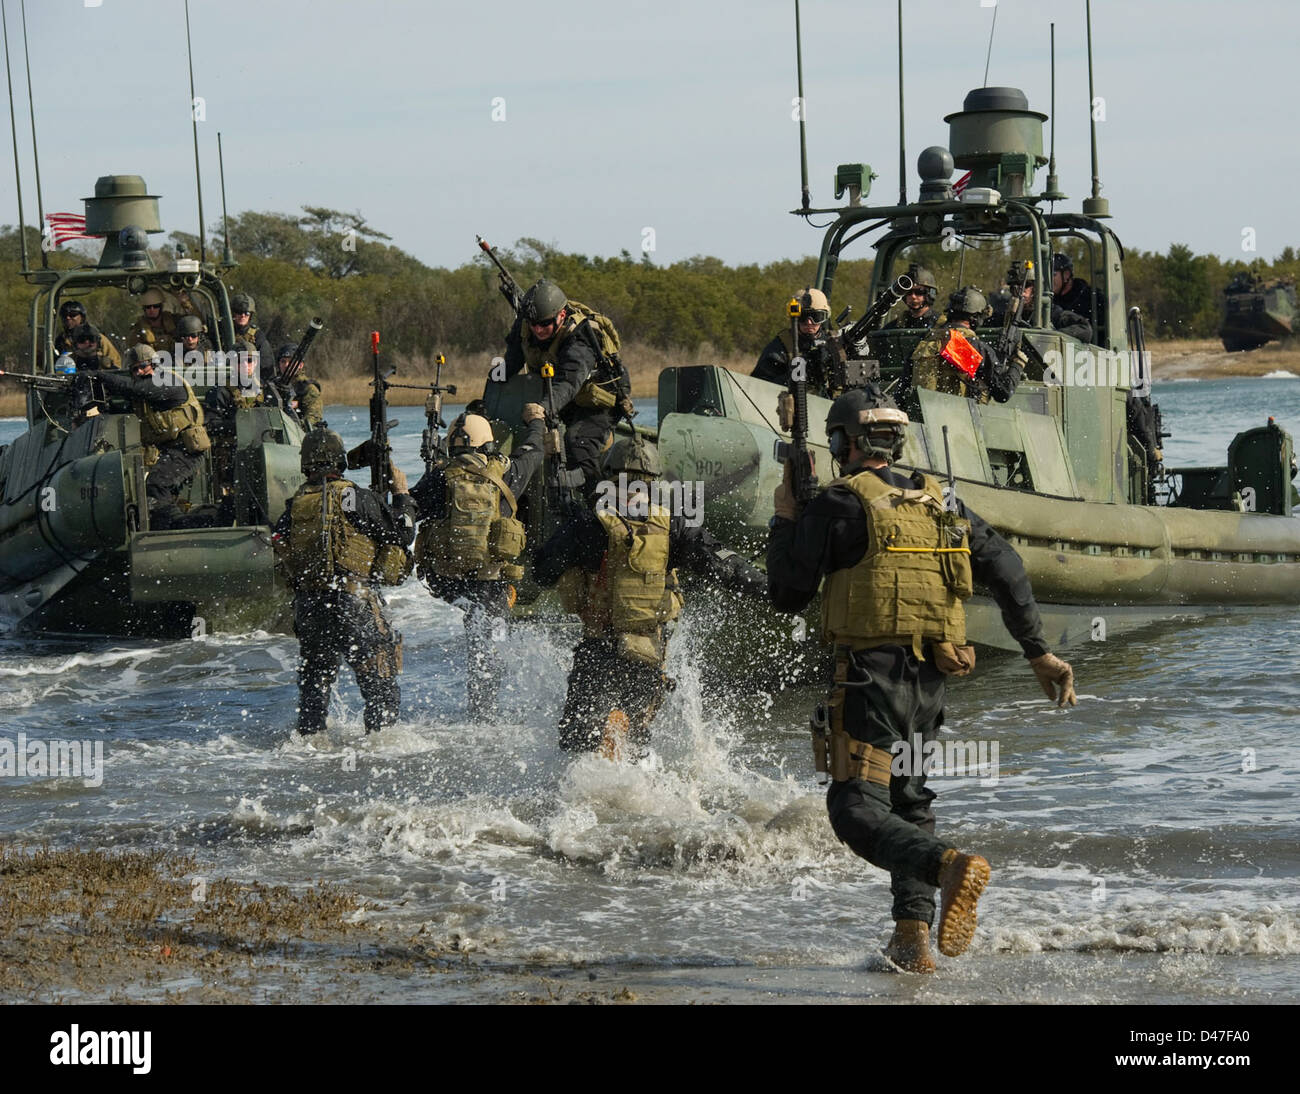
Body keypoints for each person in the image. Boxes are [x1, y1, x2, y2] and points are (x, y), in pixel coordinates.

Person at [766, 385, 1077, 972]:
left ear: (844, 443)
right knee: (908, 801)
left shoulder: (840, 503)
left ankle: (947, 865)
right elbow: (1007, 568)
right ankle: (912, 936)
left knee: (854, 809)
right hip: (930, 682)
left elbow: (787, 592)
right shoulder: (942, 501)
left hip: (867, 680)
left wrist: (786, 517)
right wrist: (1039, 654)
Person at [533, 435, 766, 756]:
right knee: (636, 747)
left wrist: (564, 530)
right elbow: (724, 565)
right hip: (648, 656)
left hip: (598, 652)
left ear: (609, 475)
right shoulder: (673, 523)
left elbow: (540, 572)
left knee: (578, 746)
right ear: (655, 479)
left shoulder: (588, 523)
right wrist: (771, 589)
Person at [272, 429, 416, 737]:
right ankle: (380, 749)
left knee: (314, 687)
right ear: (340, 460)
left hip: (309, 607)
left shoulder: (295, 505)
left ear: (305, 464)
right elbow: (403, 534)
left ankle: (310, 746)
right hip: (354, 604)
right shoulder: (354, 497)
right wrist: (401, 495)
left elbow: (282, 549)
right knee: (380, 687)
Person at [408, 405, 546, 720]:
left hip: (447, 583)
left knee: (476, 641)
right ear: (487, 443)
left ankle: (478, 712)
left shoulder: (439, 479)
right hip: (494, 584)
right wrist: (536, 422)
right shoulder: (507, 473)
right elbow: (534, 451)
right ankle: (489, 716)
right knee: (491, 652)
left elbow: (411, 509)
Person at [495, 278, 628, 499]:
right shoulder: (528, 324)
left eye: (545, 324)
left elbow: (569, 383)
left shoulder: (581, 338)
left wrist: (542, 408)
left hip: (599, 400)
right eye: (533, 323)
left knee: (578, 446)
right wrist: (493, 385)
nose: (538, 329)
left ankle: (597, 508)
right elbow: (512, 361)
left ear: (562, 316)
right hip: (556, 396)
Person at [95, 344, 211, 530]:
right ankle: (176, 527)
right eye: (135, 369)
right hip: (171, 452)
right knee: (155, 491)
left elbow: (132, 388)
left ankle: (167, 530)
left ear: (155, 365)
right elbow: (125, 407)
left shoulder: (167, 381)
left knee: (157, 484)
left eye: (144, 366)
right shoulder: (144, 397)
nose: (140, 371)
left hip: (188, 450)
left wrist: (98, 376)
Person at [906, 286, 1021, 406]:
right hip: (959, 418)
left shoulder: (924, 341)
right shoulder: (977, 349)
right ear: (976, 318)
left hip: (923, 416)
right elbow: (1003, 393)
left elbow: (903, 390)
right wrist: (1018, 363)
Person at [752, 286, 834, 391]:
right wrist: (795, 376)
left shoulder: (835, 342)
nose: (809, 322)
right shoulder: (781, 346)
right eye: (803, 317)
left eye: (816, 317)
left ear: (825, 317)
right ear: (794, 317)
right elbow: (758, 387)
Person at [53, 300, 121, 367]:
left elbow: (116, 363)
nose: (68, 318)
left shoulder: (96, 337)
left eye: (72, 315)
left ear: (82, 317)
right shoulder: (60, 341)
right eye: (64, 315)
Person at [271, 343, 324, 428]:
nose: (286, 365)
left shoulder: (309, 389)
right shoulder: (273, 386)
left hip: (298, 435)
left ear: (300, 365)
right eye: (283, 361)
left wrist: (295, 426)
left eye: (291, 361)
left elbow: (313, 417)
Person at [1051, 253, 1101, 341]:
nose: (1048, 279)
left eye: (1053, 274)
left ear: (1066, 275)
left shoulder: (1091, 299)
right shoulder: (1048, 300)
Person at [882, 265, 939, 331]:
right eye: (908, 292)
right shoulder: (894, 327)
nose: (913, 296)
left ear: (930, 294)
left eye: (919, 292)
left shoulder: (941, 325)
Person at [230, 292, 274, 364]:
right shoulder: (221, 332)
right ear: (233, 313)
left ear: (251, 315)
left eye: (246, 313)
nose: (243, 315)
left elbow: (266, 363)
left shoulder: (257, 336)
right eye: (239, 312)